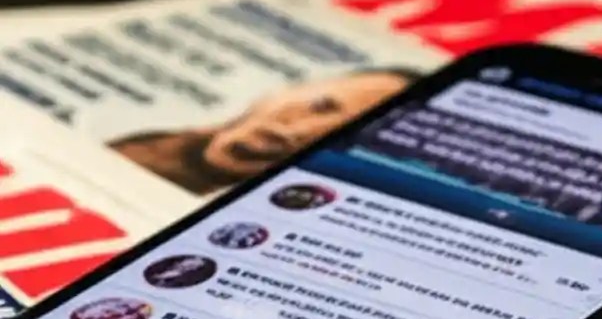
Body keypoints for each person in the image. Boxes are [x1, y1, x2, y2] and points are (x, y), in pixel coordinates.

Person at [109, 68, 420, 195]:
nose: (298, 133)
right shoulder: (120, 113)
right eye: (321, 106)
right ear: (289, 88)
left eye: (341, 137)